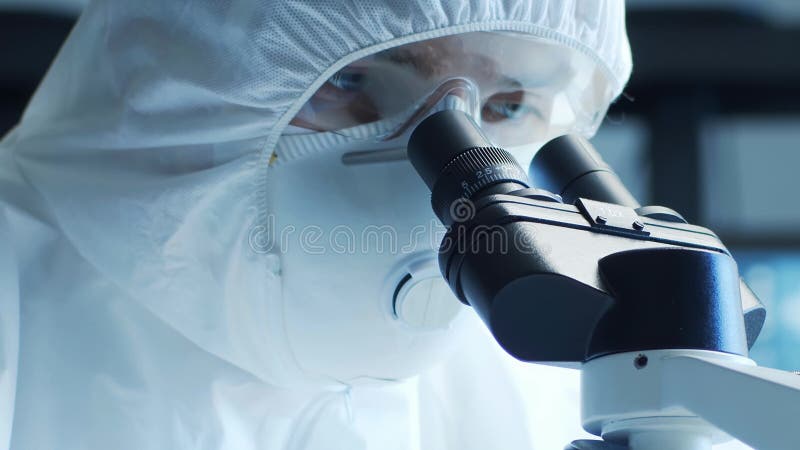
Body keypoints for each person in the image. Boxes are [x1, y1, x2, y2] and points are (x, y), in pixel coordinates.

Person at [0, 1, 633, 449]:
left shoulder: (532, 367)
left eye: (507, 106)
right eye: (352, 80)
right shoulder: (18, 304)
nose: (455, 164)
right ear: (174, 69)